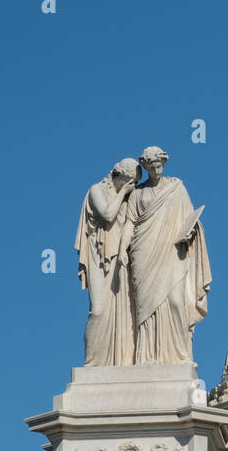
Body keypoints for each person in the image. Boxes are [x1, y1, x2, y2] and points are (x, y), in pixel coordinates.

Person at [121, 146, 210, 364]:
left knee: (176, 301)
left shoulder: (177, 188)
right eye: (152, 167)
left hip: (172, 251)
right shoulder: (138, 194)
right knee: (145, 308)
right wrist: (123, 252)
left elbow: (190, 218)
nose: (157, 170)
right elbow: (129, 224)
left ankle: (179, 355)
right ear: (146, 167)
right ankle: (147, 356)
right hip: (143, 251)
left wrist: (191, 233)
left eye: (159, 165)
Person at [75, 158, 140, 365]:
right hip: (99, 255)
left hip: (119, 257)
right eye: (130, 181)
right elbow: (107, 214)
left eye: (135, 183)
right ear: (118, 174)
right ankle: (92, 362)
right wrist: (124, 193)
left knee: (124, 311)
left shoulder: (129, 197)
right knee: (99, 310)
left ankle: (120, 360)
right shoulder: (97, 190)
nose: (133, 187)